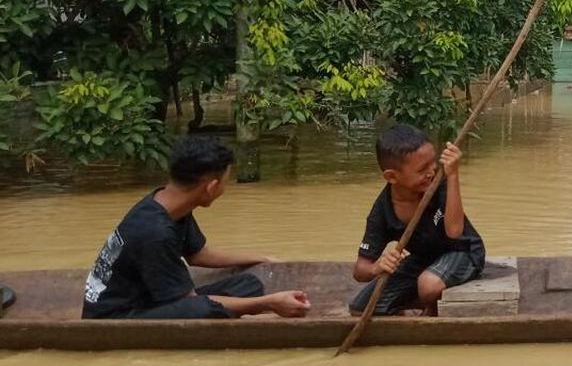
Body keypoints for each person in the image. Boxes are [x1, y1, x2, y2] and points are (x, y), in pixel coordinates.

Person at [82, 136, 311, 320]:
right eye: (225, 182)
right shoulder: (154, 232)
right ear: (210, 187)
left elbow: (199, 255)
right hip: (116, 315)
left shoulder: (168, 203)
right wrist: (267, 303)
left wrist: (262, 258)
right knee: (201, 310)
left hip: (146, 296)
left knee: (248, 283)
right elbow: (191, 302)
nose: (225, 189)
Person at [349, 124, 485, 316]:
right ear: (392, 177)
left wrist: (453, 174)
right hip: (423, 260)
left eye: (433, 163)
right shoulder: (382, 211)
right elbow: (360, 271)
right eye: (422, 169)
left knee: (428, 285)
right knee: (360, 308)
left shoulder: (438, 181)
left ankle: (430, 302)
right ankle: (420, 304)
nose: (431, 171)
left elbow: (454, 232)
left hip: (462, 251)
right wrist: (377, 267)